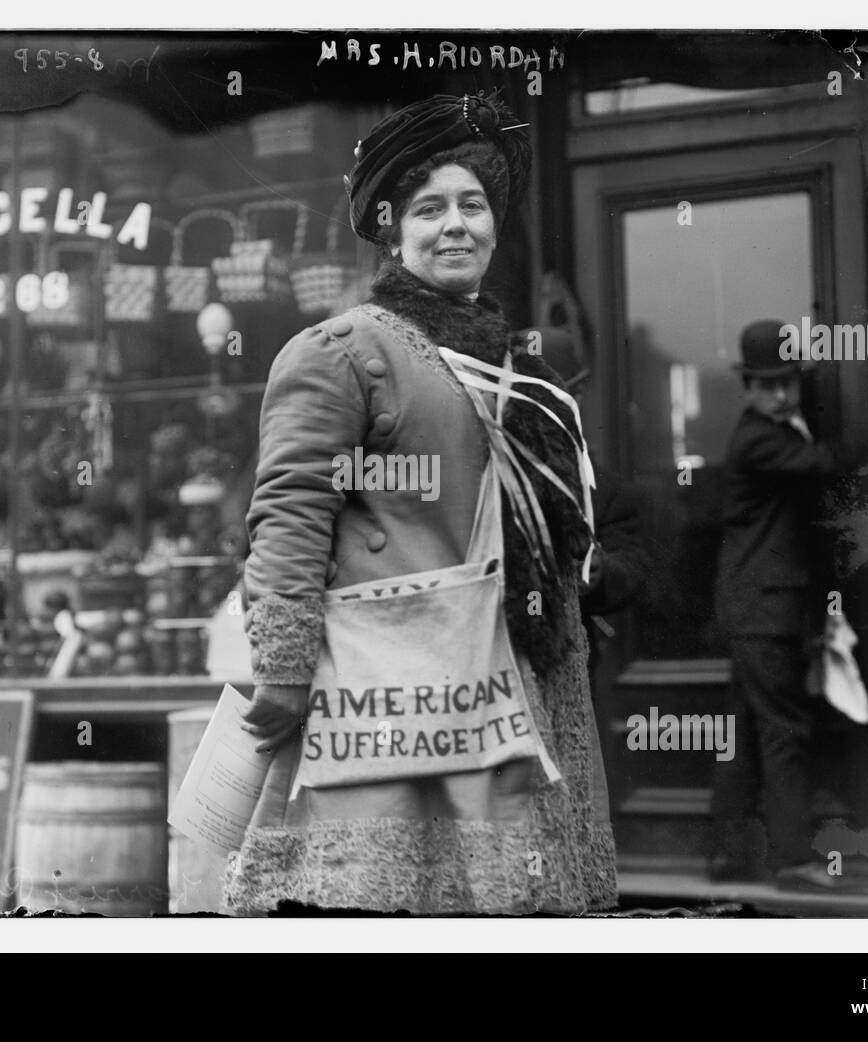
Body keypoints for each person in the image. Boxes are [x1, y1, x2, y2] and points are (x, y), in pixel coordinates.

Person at [224, 94, 617, 914]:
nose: (455, 226)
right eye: (429, 208)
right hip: (391, 696)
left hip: (509, 688)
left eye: (472, 205)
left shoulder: (522, 370)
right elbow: (292, 508)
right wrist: (285, 665)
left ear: (495, 226)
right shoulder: (344, 352)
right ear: (392, 228)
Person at [712, 317, 868, 892]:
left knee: (746, 731)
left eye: (787, 381)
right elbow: (836, 462)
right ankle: (789, 861)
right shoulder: (763, 439)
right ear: (748, 387)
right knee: (784, 733)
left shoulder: (773, 429)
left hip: (753, 609)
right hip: (766, 612)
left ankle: (729, 858)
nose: (780, 393)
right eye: (767, 384)